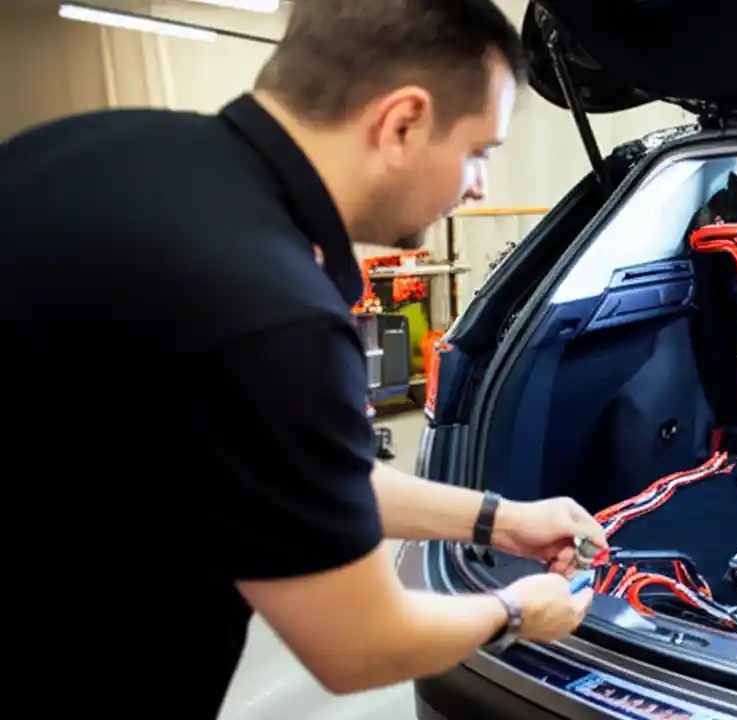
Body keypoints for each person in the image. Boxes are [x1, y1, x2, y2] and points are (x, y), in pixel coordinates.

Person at [0, 0, 605, 716]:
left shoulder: (100, 149)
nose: (477, 186)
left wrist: (499, 518)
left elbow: (296, 473)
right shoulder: (267, 311)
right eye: (478, 153)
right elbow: (358, 645)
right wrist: (515, 613)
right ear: (402, 123)